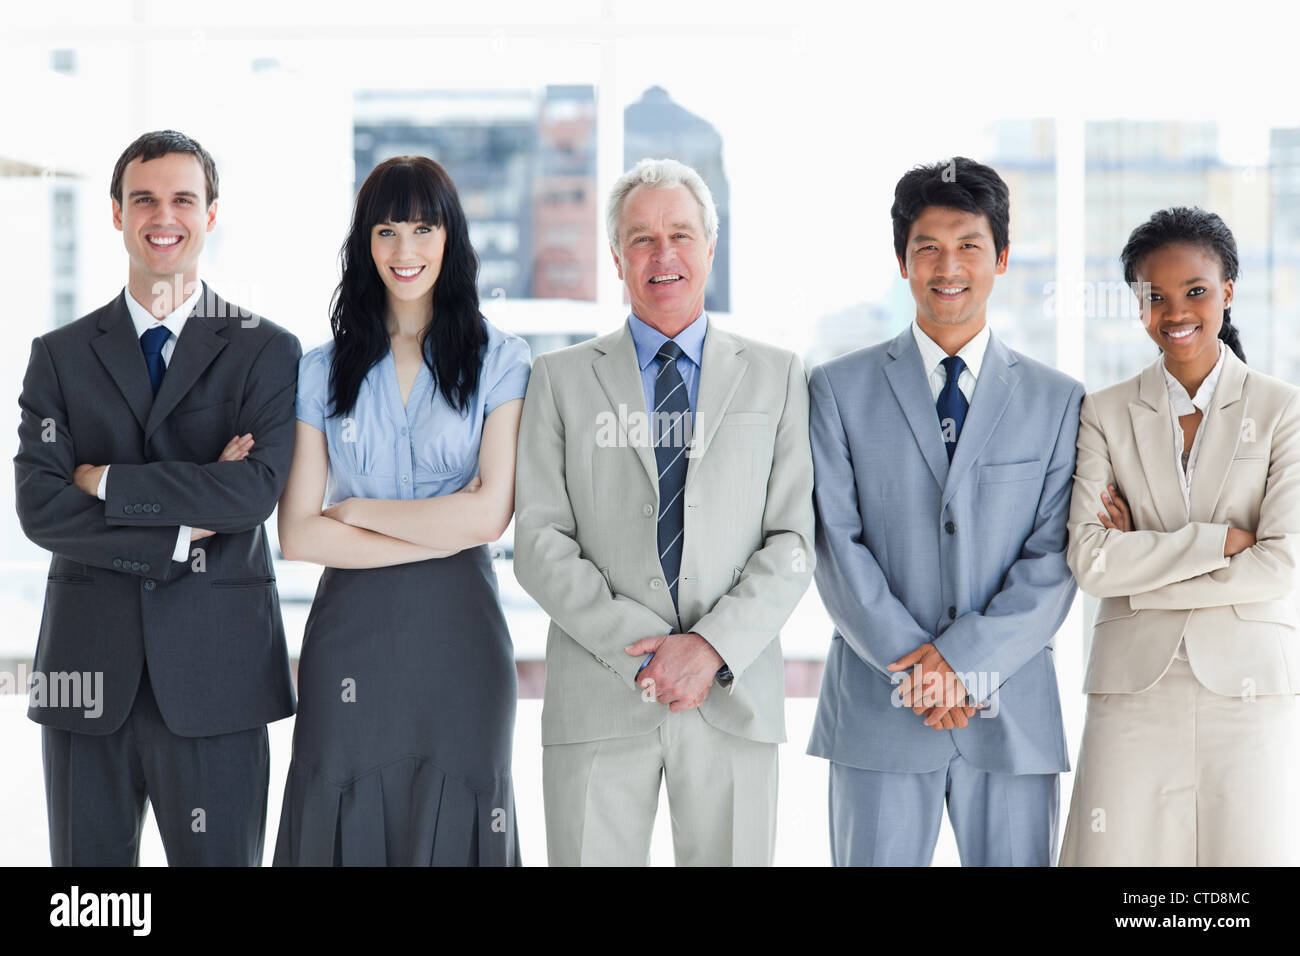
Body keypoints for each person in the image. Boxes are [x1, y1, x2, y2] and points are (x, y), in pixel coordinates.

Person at [513, 157, 814, 866]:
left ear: (711, 247)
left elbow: (795, 540)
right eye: (641, 238)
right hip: (600, 692)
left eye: (681, 233)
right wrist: (648, 653)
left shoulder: (778, 375)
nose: (663, 254)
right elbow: (539, 541)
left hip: (731, 695)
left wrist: (707, 649)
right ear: (617, 257)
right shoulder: (557, 379)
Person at [13, 129, 301, 865]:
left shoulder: (266, 349)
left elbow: (253, 492)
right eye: (144, 199)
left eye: (182, 199)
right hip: (88, 678)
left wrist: (105, 481)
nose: (162, 216)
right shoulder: (60, 355)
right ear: (116, 213)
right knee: (92, 907)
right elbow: (41, 507)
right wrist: (178, 529)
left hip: (219, 680)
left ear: (210, 214)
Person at [807, 157, 1084, 866]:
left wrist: (964, 667)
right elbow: (837, 546)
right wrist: (922, 672)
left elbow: (1054, 558)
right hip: (879, 711)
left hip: (1010, 714)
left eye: (969, 245)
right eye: (927, 246)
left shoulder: (1058, 400)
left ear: (1002, 258)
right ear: (902, 261)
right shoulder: (837, 389)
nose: (948, 265)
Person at [272, 155, 529, 866]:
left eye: (422, 228)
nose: (405, 251)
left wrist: (355, 511)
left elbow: (489, 517)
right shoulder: (319, 369)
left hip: (463, 641)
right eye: (386, 231)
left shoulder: (504, 359)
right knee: (340, 807)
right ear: (365, 244)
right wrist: (437, 527)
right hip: (350, 637)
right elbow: (296, 535)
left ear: (451, 237)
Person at [1060, 207, 1300, 866]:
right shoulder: (1105, 412)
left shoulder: (1283, 409)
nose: (1176, 311)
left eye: (1195, 290)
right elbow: (1091, 564)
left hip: (1249, 690)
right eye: (1154, 297)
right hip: (1132, 689)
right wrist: (1218, 539)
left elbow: (1281, 564)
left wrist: (1145, 564)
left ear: (1227, 290)